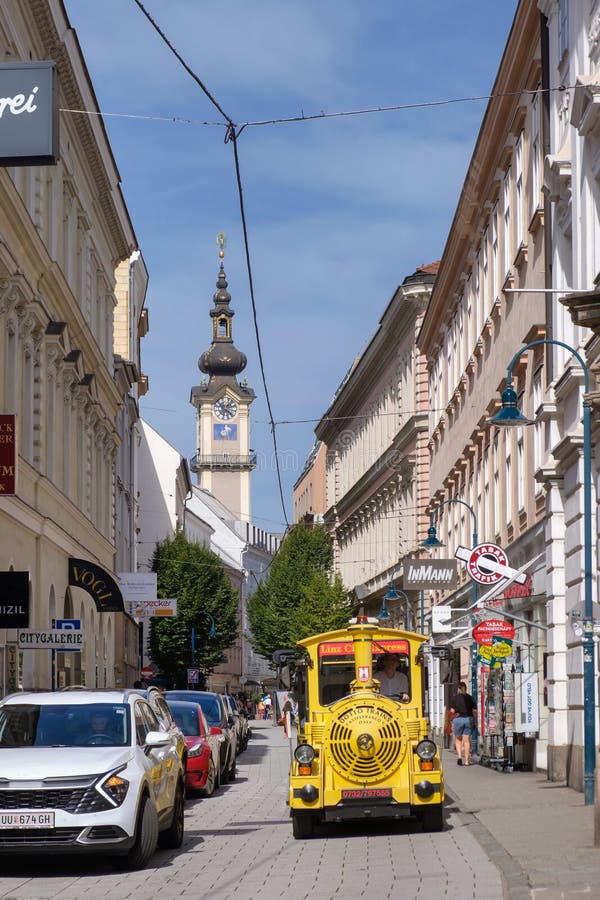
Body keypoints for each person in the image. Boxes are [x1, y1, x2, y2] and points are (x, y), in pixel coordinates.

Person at [449, 681, 477, 766]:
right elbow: (474, 711)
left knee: (458, 739)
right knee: (467, 741)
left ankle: (460, 757)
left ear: (458, 689)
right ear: (466, 688)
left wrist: (450, 721)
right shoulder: (471, 698)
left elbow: (452, 711)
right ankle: (467, 761)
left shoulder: (454, 698)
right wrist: (474, 720)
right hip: (468, 719)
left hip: (458, 719)